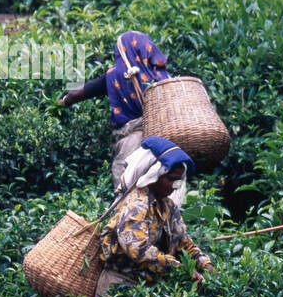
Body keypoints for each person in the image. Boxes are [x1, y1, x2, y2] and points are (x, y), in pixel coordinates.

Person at [57, 31, 188, 206]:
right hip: (167, 143)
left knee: (127, 198)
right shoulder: (163, 76)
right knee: (167, 201)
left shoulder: (117, 73)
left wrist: (62, 102)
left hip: (133, 143)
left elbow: (76, 93)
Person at [95, 137, 213, 297]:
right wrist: (182, 268)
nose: (175, 186)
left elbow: (183, 243)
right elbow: (139, 250)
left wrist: (205, 264)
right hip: (119, 286)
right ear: (154, 176)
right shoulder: (135, 204)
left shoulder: (167, 206)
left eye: (178, 180)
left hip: (148, 287)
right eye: (171, 179)